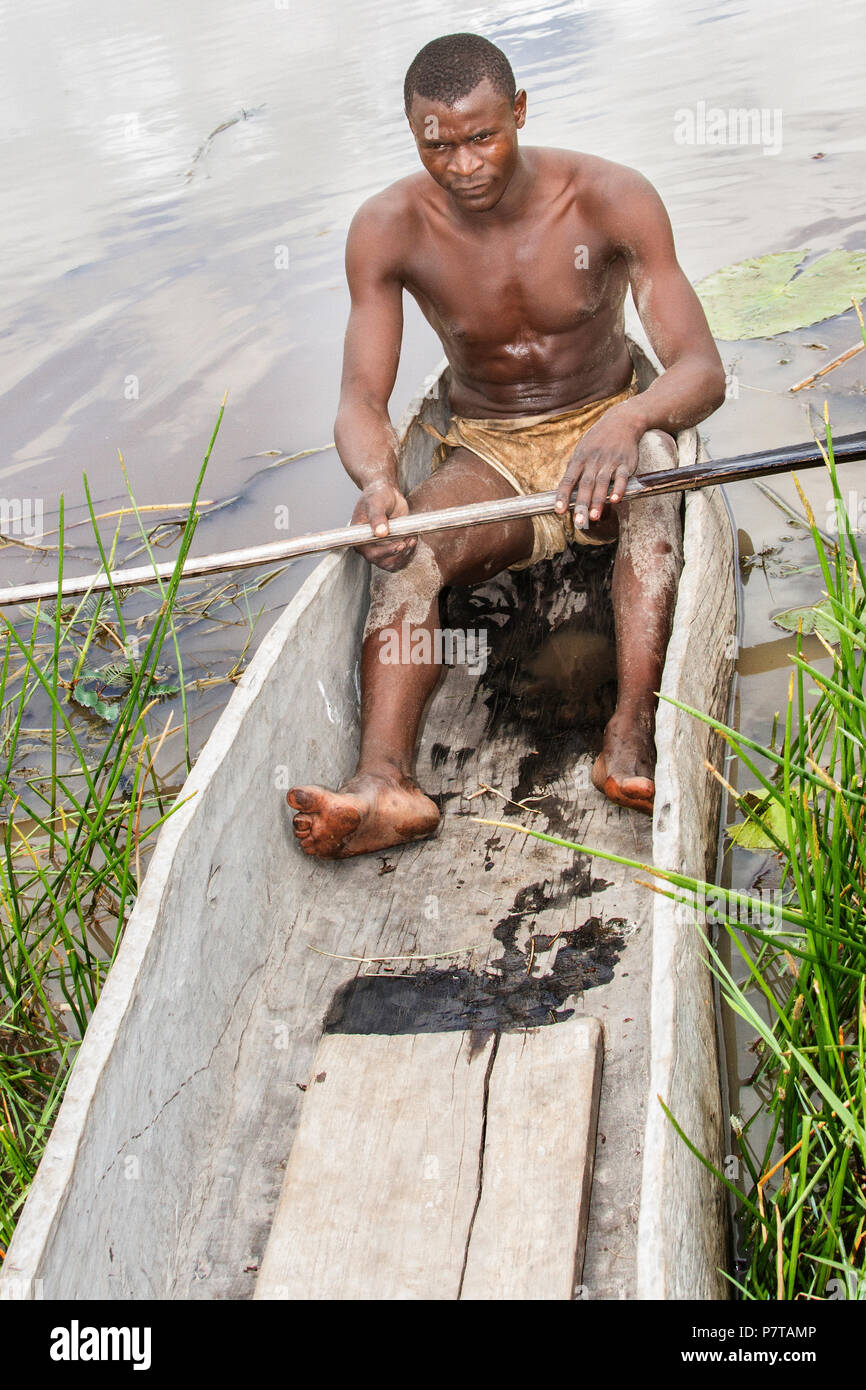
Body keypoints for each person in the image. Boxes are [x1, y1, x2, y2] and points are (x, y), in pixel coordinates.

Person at [289, 31, 725, 859]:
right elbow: (360, 399)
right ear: (412, 131)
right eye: (437, 144)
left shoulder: (609, 198)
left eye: (482, 136)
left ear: (519, 112)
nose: (462, 164)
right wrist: (380, 481)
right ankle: (385, 783)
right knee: (405, 549)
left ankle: (630, 734)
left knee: (660, 482)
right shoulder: (387, 228)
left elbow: (701, 370)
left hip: (608, 432)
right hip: (490, 446)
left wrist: (628, 420)